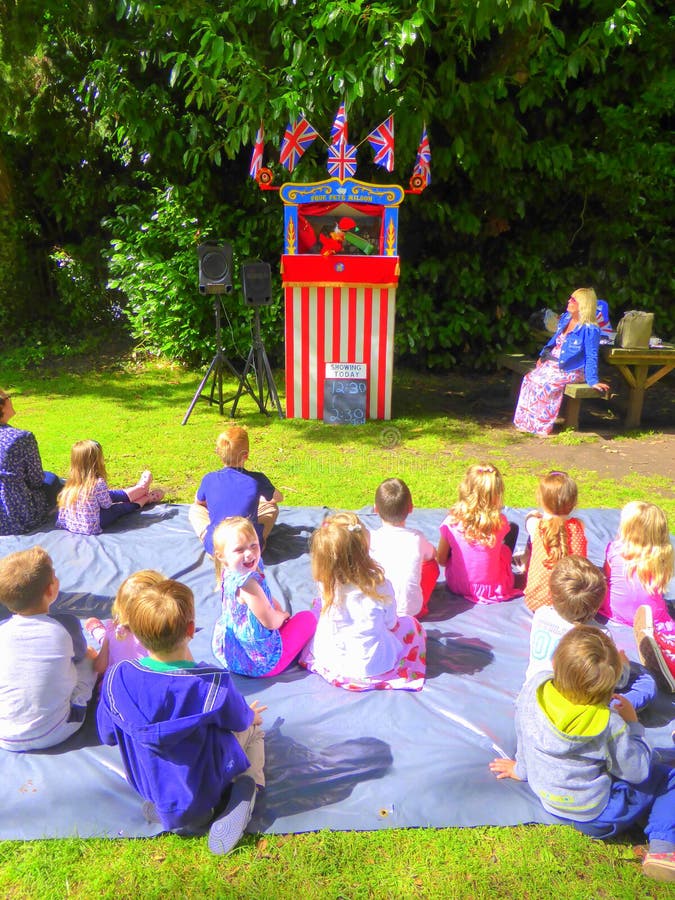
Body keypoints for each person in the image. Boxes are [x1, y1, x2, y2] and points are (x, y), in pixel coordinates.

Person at [490, 627, 675, 883]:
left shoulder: (535, 687)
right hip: (595, 816)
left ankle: (644, 813)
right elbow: (637, 771)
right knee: (667, 778)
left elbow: (523, 730)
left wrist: (520, 769)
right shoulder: (608, 723)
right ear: (611, 689)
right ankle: (664, 848)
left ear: (555, 662)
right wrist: (633, 725)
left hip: (548, 797)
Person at [96, 577, 266, 855]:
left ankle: (169, 809)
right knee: (257, 730)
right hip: (207, 789)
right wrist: (251, 717)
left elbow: (107, 734)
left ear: (136, 634)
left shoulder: (117, 677)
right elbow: (238, 720)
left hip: (149, 785)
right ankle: (246, 788)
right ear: (191, 629)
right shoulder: (211, 682)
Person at [299, 512, 427, 691]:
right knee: (411, 625)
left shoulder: (325, 583)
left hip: (328, 657)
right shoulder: (379, 587)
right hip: (370, 666)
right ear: (363, 554)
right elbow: (391, 623)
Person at [526, 555, 656, 711]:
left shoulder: (541, 614)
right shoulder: (599, 634)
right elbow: (615, 681)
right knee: (647, 682)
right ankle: (611, 711)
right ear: (596, 607)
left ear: (552, 594)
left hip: (533, 694)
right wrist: (624, 667)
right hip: (576, 706)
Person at [0, 546, 97, 751]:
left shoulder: (3, 631)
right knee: (89, 661)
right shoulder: (66, 625)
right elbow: (78, 657)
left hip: (5, 736)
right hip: (55, 731)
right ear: (51, 590)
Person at [211, 516, 317, 677]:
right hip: (260, 663)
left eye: (254, 545)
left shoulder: (230, 570)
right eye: (239, 550)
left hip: (232, 652)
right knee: (307, 618)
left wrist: (273, 608)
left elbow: (263, 602)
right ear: (221, 556)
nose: (249, 553)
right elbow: (271, 622)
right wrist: (282, 616)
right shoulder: (248, 585)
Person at [514, 288, 609, 435]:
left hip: (571, 369)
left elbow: (591, 356)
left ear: (582, 304)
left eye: (573, 300)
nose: (569, 301)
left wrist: (592, 380)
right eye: (570, 298)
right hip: (553, 364)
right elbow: (554, 341)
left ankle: (541, 426)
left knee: (547, 385)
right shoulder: (566, 318)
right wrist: (543, 355)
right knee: (529, 379)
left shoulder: (590, 329)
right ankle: (526, 422)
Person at [189, 426, 282, 557]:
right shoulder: (257, 479)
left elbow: (198, 502)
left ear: (218, 452)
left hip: (218, 550)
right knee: (271, 507)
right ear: (246, 455)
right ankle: (258, 540)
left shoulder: (209, 478)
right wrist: (259, 499)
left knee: (194, 510)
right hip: (250, 550)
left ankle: (206, 535)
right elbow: (278, 498)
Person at [437, 463, 521, 604]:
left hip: (458, 585)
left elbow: (441, 560)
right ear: (497, 495)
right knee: (513, 529)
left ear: (465, 489)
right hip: (494, 588)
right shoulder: (501, 523)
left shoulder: (451, 523)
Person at [56, 439, 164, 535]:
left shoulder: (71, 481)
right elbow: (107, 505)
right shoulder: (97, 482)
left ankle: (140, 488)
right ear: (96, 462)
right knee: (118, 508)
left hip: (70, 524)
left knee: (110, 494)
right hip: (91, 525)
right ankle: (146, 498)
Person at [369, 477, 439, 617]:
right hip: (412, 611)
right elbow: (432, 554)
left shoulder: (371, 539)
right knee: (431, 563)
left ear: (375, 509)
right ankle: (418, 600)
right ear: (411, 508)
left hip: (378, 607)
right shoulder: (417, 538)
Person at [600, 501, 674, 626]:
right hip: (649, 616)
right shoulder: (663, 555)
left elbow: (606, 576)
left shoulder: (614, 549)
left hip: (614, 611)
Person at [523, 471, 587, 612]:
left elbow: (528, 520)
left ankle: (523, 563)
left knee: (532, 539)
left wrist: (533, 514)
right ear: (574, 502)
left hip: (536, 602)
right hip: (571, 605)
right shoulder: (579, 526)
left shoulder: (537, 525)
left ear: (541, 500)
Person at [0, 389, 62, 535]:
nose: (11, 399)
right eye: (8, 397)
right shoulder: (21, 438)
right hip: (18, 514)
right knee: (52, 480)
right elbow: (36, 480)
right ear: (2, 406)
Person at [85, 569, 165, 675]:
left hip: (115, 685)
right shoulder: (162, 640)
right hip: (144, 687)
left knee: (110, 641)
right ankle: (101, 636)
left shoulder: (115, 629)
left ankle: (99, 633)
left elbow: (100, 667)